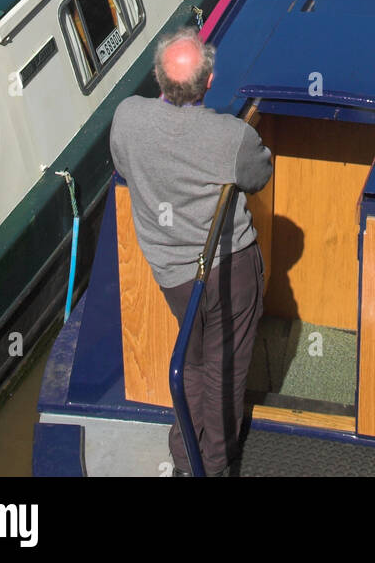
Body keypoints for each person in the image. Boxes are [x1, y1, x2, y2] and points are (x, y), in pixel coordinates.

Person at [110, 28, 271, 477]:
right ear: (211, 81)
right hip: (230, 270)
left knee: (196, 362)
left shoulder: (126, 118)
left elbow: (126, 166)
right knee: (225, 369)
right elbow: (259, 175)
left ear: (158, 78)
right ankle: (216, 468)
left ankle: (185, 461)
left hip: (173, 277)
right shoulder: (231, 136)